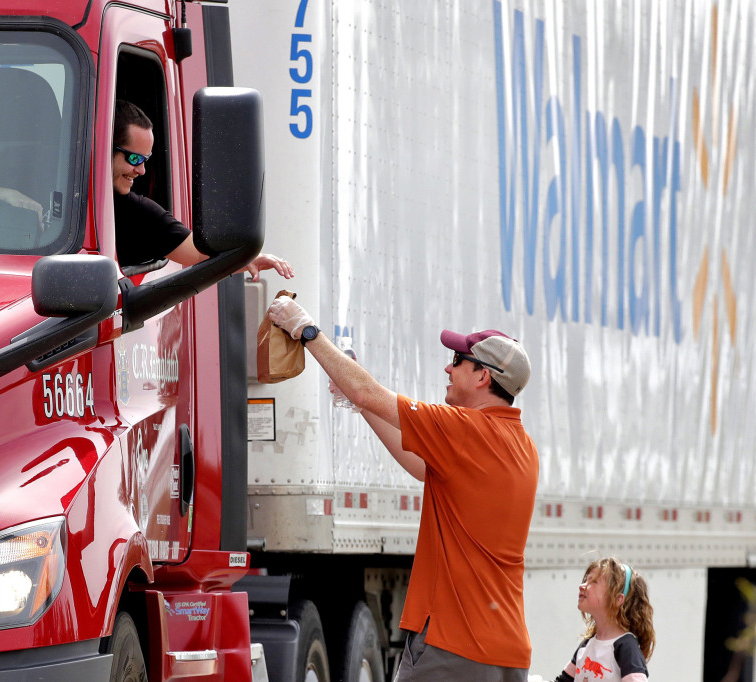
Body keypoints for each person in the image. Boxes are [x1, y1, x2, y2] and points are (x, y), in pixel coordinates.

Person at [266, 295, 538, 681]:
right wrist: (361, 408)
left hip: (452, 645)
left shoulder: (465, 431)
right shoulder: (520, 444)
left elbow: (369, 392)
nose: (448, 365)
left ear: (483, 377)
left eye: (458, 360)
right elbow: (420, 465)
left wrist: (306, 331)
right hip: (504, 649)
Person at [113, 100, 293, 280]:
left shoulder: (139, 213)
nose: (142, 170)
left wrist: (247, 259)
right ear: (104, 148)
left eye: (146, 159)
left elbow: (200, 254)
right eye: (135, 159)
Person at [553, 558, 655, 682]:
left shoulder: (626, 647)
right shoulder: (585, 646)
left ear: (618, 599)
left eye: (593, 582)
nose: (582, 586)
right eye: (585, 580)